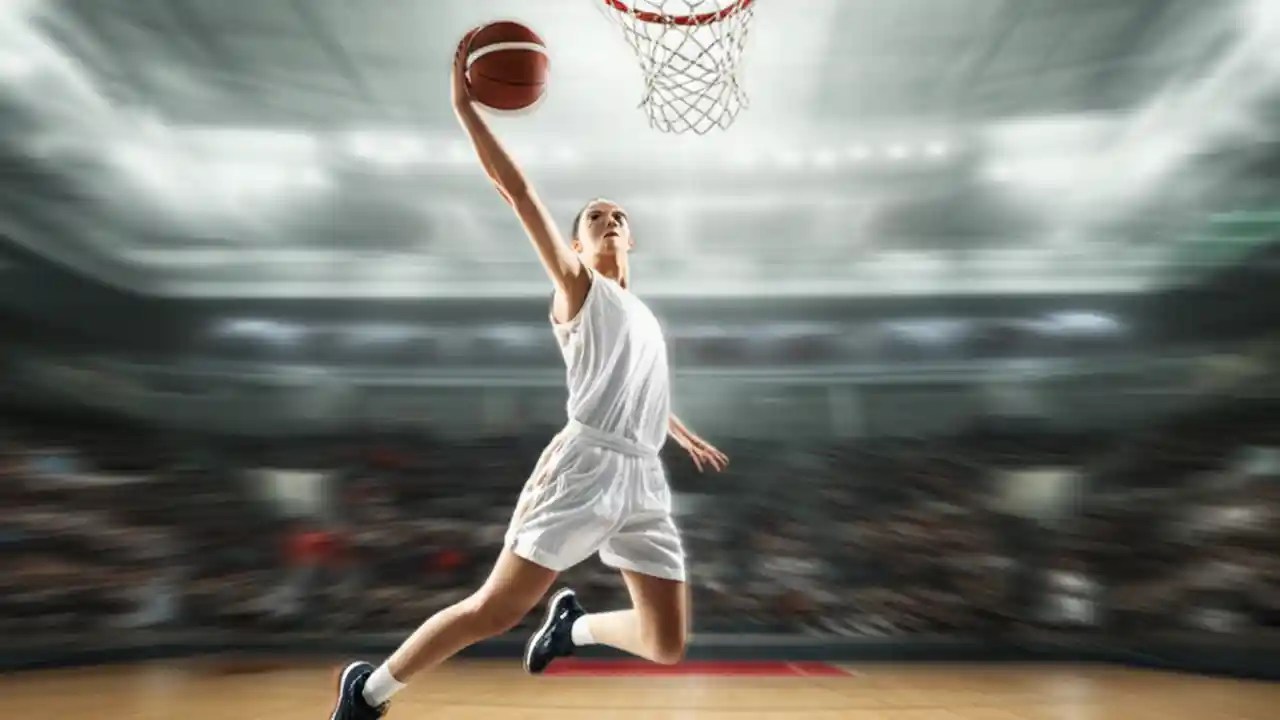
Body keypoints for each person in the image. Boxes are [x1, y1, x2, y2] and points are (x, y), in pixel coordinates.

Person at [327, 30, 730, 720]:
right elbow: (515, 191)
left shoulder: (642, 316)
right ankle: (368, 690)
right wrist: (466, 109)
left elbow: (635, 386)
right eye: (596, 217)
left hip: (642, 473)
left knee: (665, 642)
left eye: (619, 217)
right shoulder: (579, 289)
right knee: (495, 608)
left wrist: (677, 430)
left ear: (630, 239)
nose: (610, 220)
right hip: (582, 468)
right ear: (576, 244)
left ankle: (571, 627)